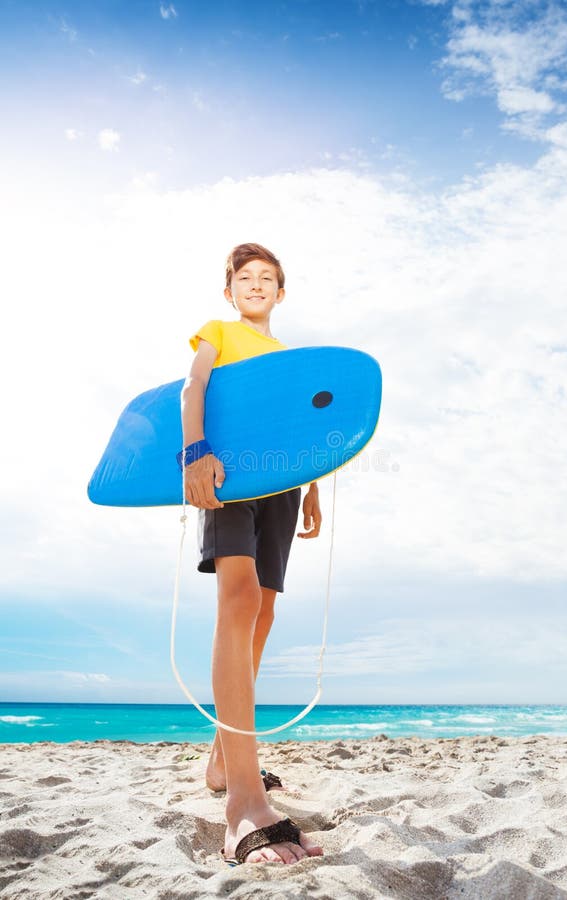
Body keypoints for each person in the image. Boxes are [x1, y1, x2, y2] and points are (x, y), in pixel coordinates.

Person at [180, 242, 324, 866]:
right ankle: (242, 798)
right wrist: (194, 451)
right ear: (230, 291)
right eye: (246, 278)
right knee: (236, 601)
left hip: (284, 484)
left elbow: (301, 428)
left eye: (268, 278)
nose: (257, 285)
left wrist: (313, 483)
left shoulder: (289, 358)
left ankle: (221, 758)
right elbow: (195, 387)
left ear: (282, 293)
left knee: (263, 612)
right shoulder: (218, 332)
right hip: (230, 473)